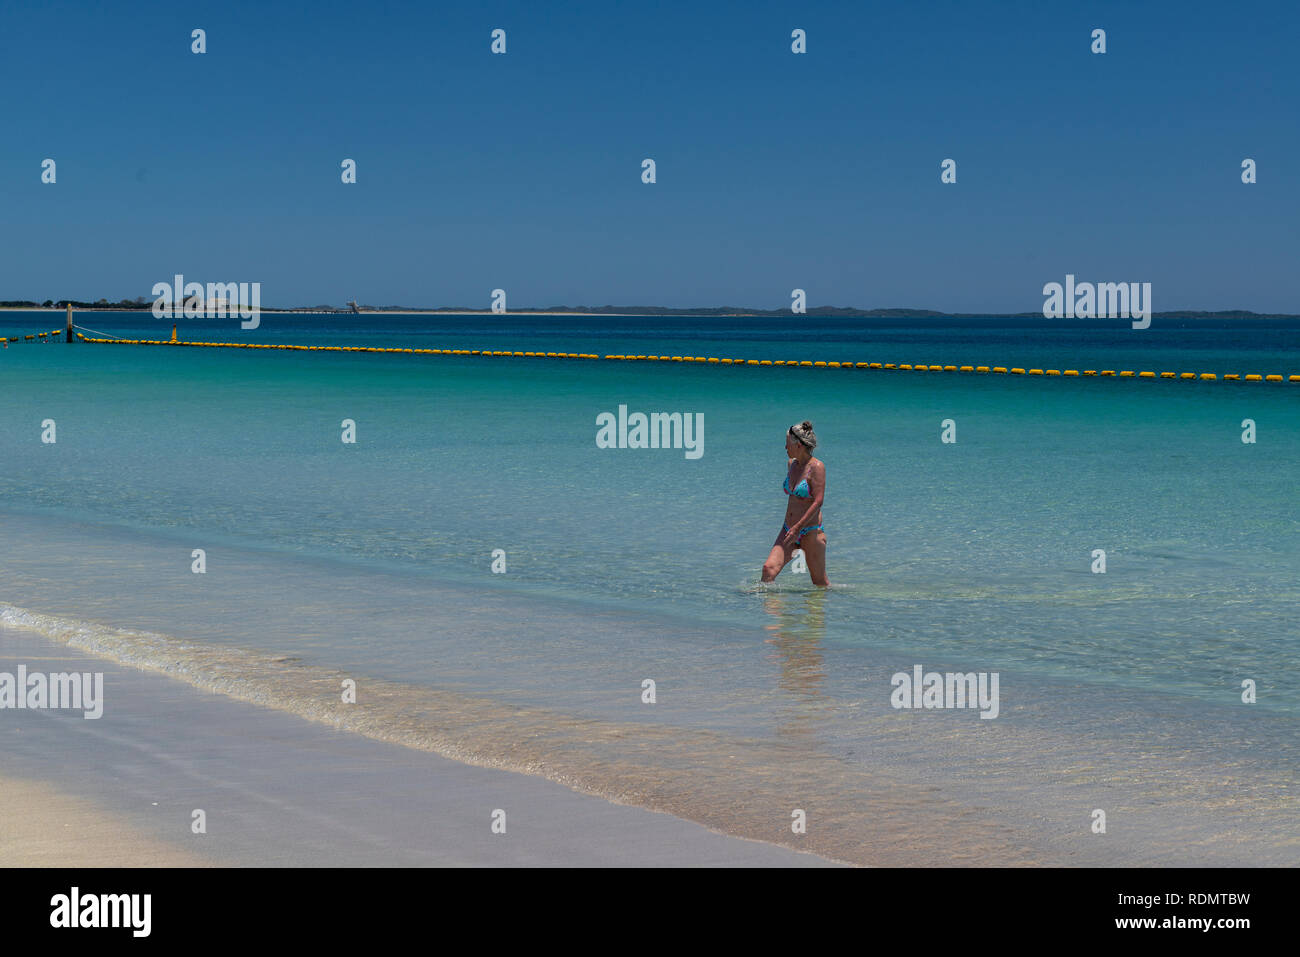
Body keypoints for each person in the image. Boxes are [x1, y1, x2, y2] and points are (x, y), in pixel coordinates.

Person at [761, 420, 829, 586]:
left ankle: (825, 609)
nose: (785, 448)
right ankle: (773, 612)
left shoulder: (817, 467)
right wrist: (792, 528)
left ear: (798, 445)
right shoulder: (791, 465)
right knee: (768, 570)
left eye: (787, 444)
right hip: (787, 529)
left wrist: (798, 528)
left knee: (819, 583)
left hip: (810, 532)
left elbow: (818, 501)